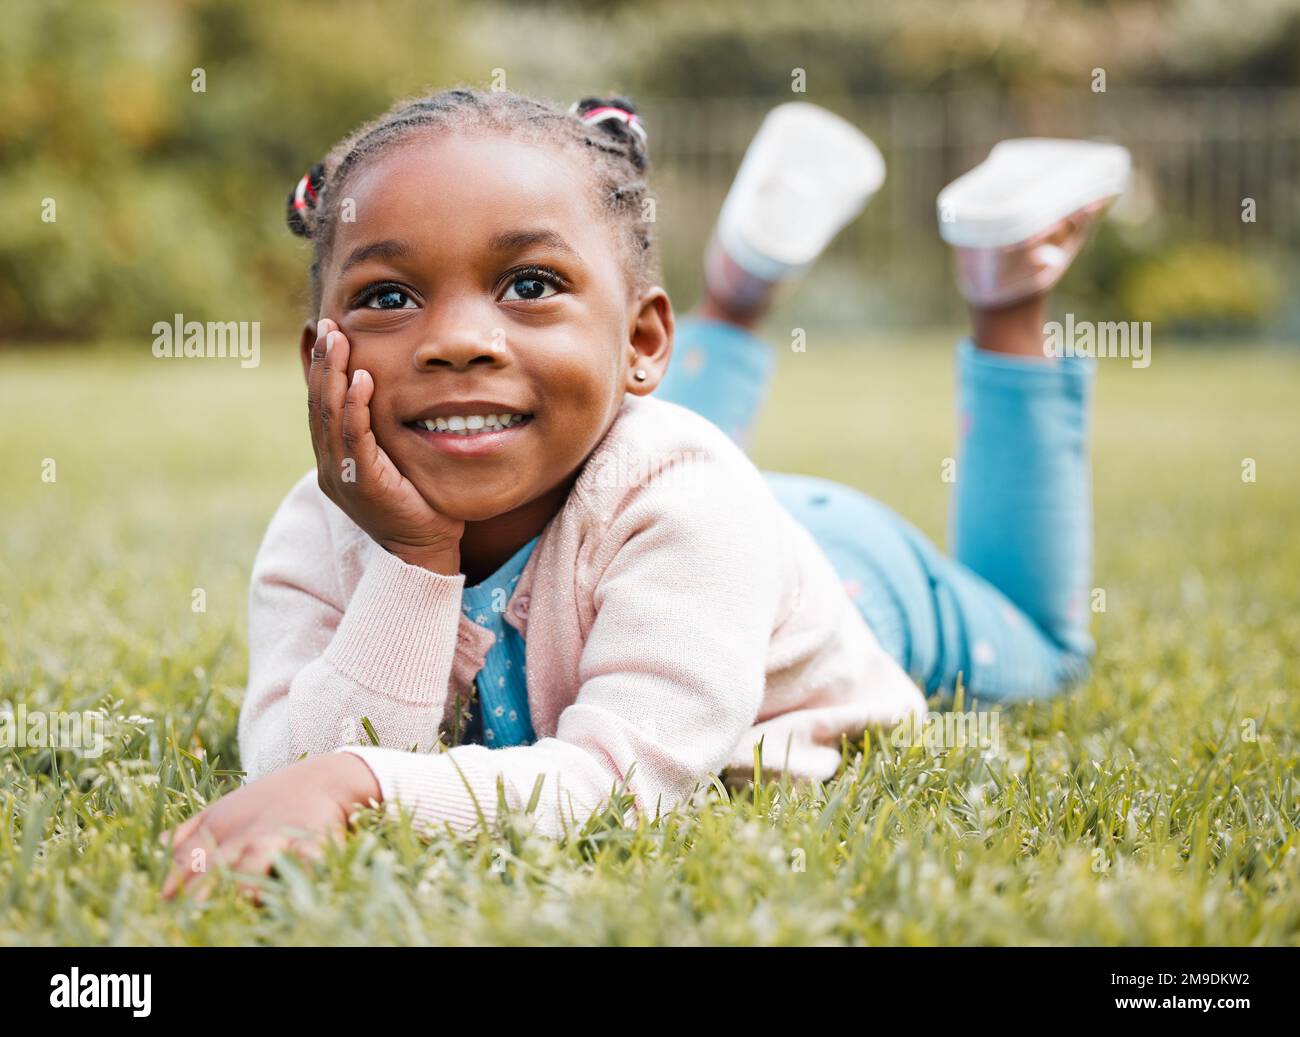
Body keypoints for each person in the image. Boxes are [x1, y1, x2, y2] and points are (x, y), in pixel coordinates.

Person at [160, 89, 1129, 897]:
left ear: (643, 340)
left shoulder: (688, 495)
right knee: (578, 421)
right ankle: (741, 284)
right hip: (653, 508)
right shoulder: (318, 520)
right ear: (315, 357)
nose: (456, 339)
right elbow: (294, 769)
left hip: (843, 579)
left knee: (1044, 646)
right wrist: (411, 558)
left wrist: (366, 785)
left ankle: (1005, 289)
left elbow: (619, 785)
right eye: (386, 297)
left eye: (529, 282)